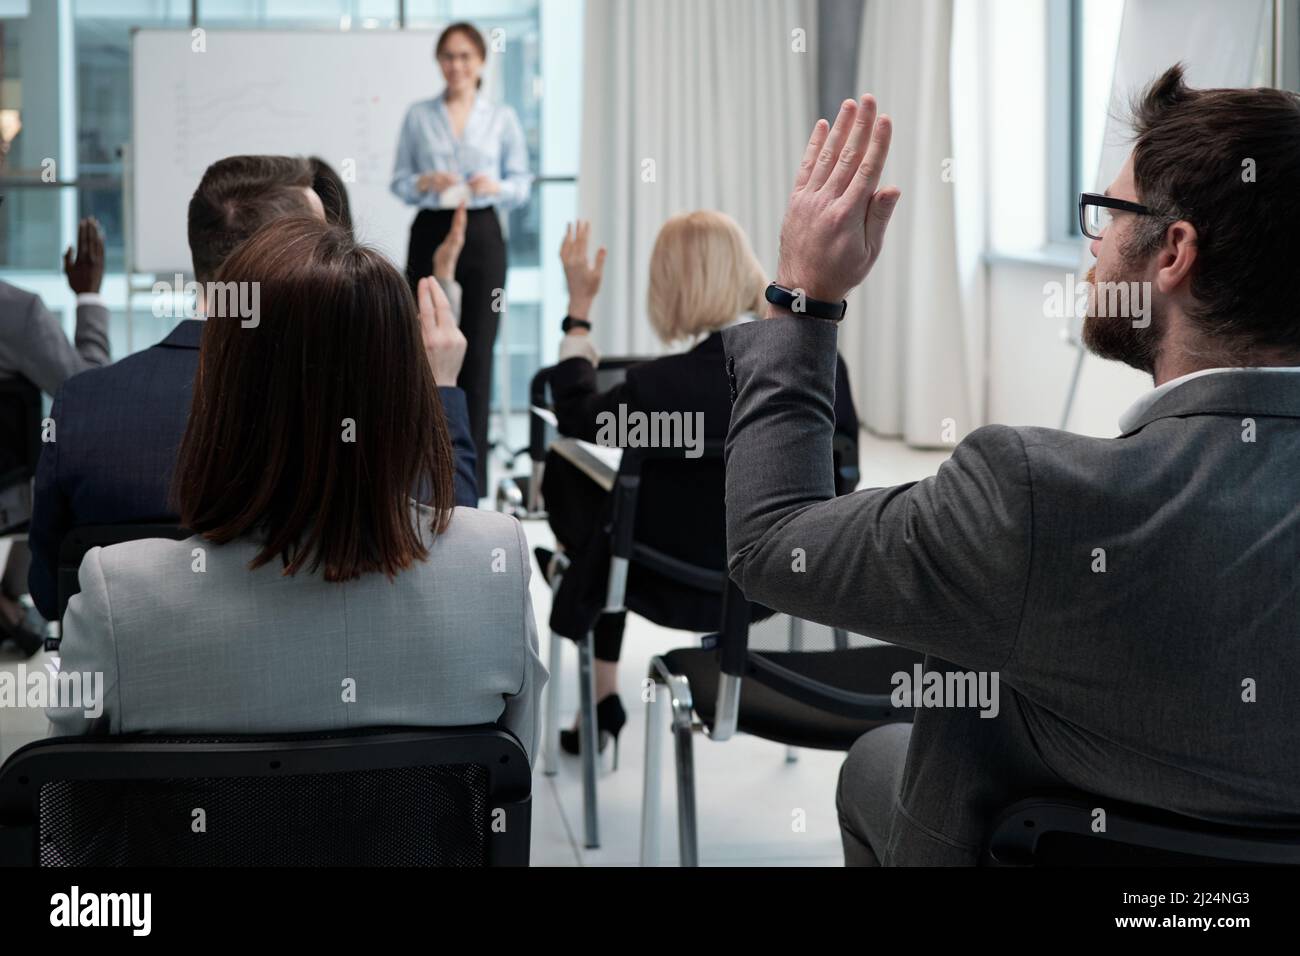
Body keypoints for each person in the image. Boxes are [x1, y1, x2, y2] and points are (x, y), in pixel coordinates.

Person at [723, 70, 1300, 866]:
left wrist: (803, 297)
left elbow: (771, 543)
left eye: (1110, 215)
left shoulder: (1035, 502)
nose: (1094, 245)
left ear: (1174, 253)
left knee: (871, 764)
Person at [47, 215, 546, 762]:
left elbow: (68, 809)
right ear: (408, 391)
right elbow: (509, 780)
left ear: (222, 393)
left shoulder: (120, 598)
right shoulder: (495, 567)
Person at [25, 154, 477, 624]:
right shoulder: (337, 407)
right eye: (320, 241)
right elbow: (444, 534)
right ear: (286, 255)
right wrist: (441, 390)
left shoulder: (80, 405)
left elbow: (50, 592)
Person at [539, 214, 861, 759]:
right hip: (776, 583)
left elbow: (571, 413)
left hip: (659, 582)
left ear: (670, 289)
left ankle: (598, 682)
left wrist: (579, 313)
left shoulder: (655, 386)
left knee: (576, 481)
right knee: (620, 512)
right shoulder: (820, 369)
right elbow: (842, 477)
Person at [391, 21, 533, 498]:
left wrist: (498, 187)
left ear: (480, 63)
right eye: (448, 56)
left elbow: (521, 184)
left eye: (465, 56)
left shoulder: (502, 117)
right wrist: (422, 184)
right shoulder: (417, 115)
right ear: (439, 62)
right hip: (431, 231)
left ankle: (469, 484)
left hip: (483, 233)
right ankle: (422, 476)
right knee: (422, 346)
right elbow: (399, 182)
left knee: (478, 351)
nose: (456, 65)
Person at [0, 217, 110, 656]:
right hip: (12, 504)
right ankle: (9, 599)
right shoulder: (15, 312)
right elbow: (91, 396)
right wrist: (88, 293)